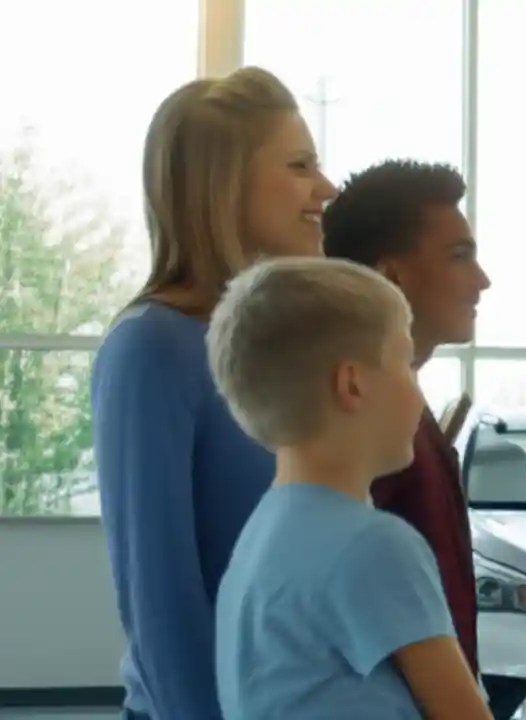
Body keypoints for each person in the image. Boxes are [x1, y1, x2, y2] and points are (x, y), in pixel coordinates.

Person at [90, 67, 336, 719]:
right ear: (224, 185)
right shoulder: (152, 348)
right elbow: (159, 600)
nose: (327, 187)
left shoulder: (275, 347)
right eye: (300, 165)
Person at [208, 256, 493, 719]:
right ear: (353, 384)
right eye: (407, 365)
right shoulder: (374, 544)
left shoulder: (260, 537)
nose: (417, 393)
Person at [321, 160, 491, 678]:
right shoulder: (360, 426)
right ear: (392, 276)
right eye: (460, 257)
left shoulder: (404, 413)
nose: (481, 281)